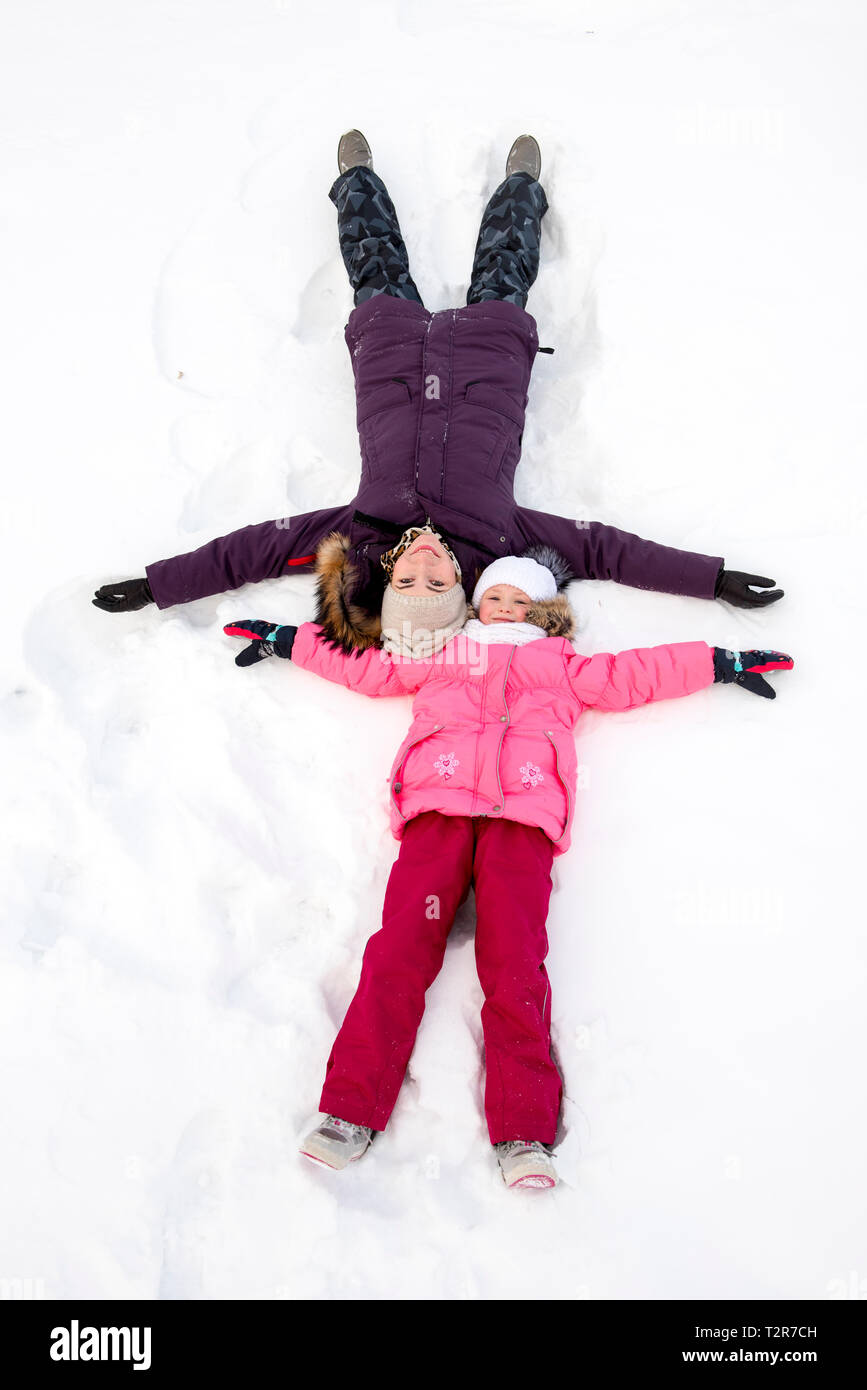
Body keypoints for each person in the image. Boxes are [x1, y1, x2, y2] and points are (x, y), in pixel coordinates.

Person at [223, 538, 793, 1188]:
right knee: (400, 947)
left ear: (543, 611)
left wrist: (718, 660)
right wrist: (285, 639)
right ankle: (349, 1111)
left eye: (516, 597)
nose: (501, 606)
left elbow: (639, 672)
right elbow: (368, 667)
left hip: (520, 823)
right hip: (438, 810)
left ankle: (523, 1131)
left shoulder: (564, 665)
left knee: (513, 958)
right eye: (491, 595)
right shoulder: (442, 652)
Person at [93, 131, 784, 630]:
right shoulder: (502, 537)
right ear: (463, 580)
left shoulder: (357, 531)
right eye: (437, 579)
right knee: (504, 270)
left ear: (387, 576)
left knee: (374, 268)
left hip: (390, 361)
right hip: (487, 366)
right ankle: (522, 186)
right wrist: (712, 578)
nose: (423, 564)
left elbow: (257, 549)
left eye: (408, 578)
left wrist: (157, 586)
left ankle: (355, 180)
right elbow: (606, 548)